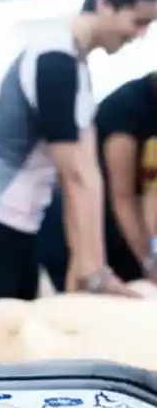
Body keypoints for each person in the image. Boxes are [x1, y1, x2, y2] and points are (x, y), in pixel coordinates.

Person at [0, 0, 157, 359]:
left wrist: (93, 267)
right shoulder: (53, 60)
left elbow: (89, 174)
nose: (140, 35)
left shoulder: (76, 64)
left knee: (20, 365)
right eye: (138, 21)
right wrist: (91, 271)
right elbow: (73, 176)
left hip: (21, 235)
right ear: (105, 3)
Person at [39, 73, 157, 290]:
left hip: (117, 225)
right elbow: (122, 196)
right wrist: (148, 262)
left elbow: (149, 194)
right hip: (78, 223)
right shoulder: (128, 109)